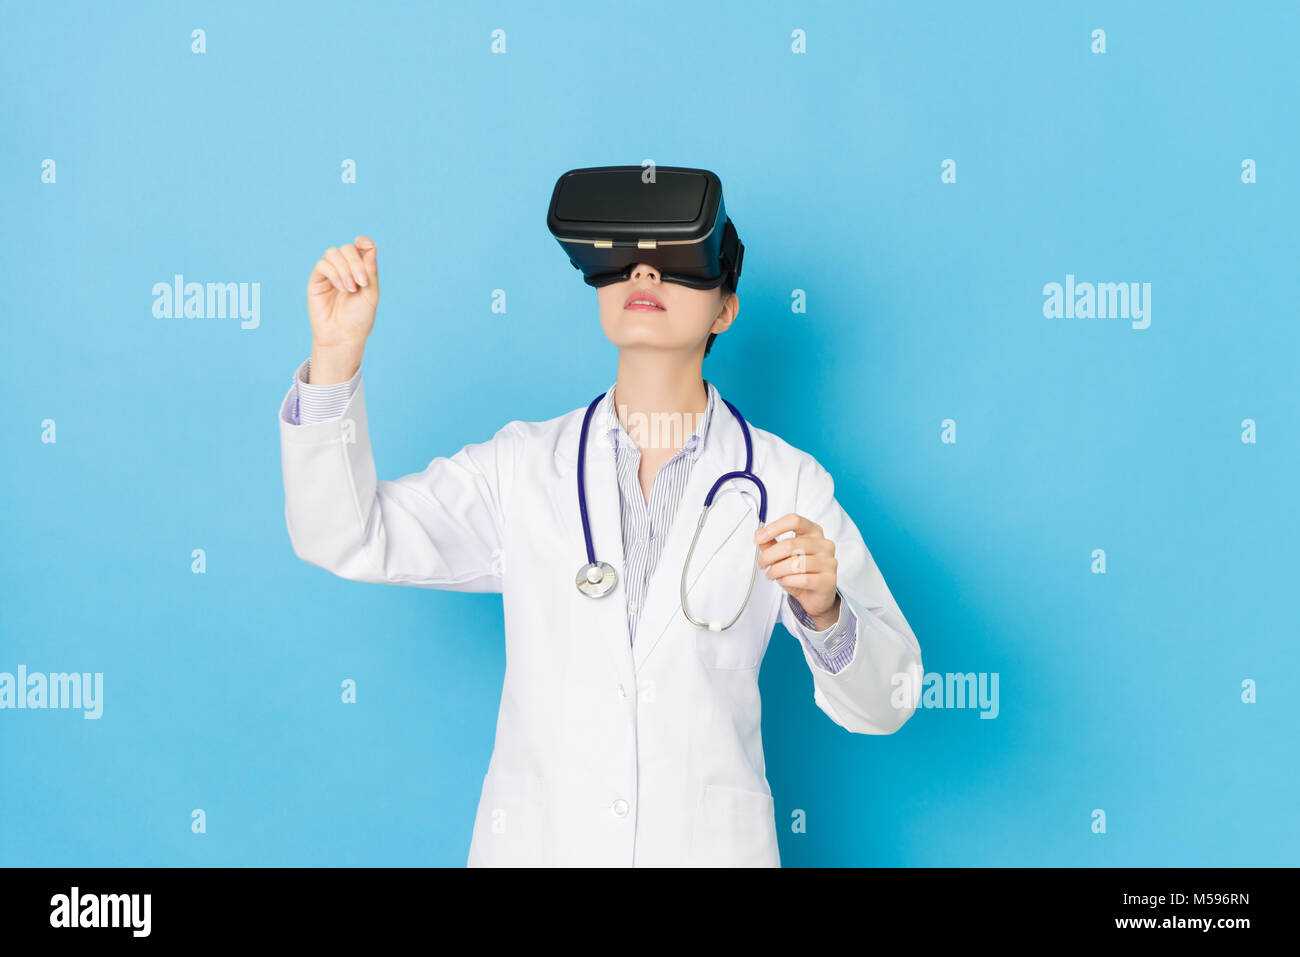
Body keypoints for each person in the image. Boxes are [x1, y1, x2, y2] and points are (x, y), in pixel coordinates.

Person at [278, 232, 923, 867]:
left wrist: (826, 609)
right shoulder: (520, 467)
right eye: (625, 263)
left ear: (725, 308)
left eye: (675, 263)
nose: (644, 276)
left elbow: (889, 701)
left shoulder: (785, 482)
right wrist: (335, 357)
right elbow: (347, 534)